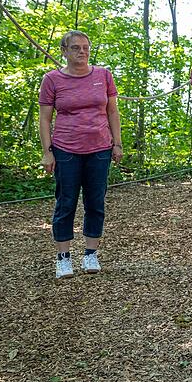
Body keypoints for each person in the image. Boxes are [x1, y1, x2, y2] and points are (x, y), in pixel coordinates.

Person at [39, 30, 123, 279]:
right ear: (64, 51)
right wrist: (47, 152)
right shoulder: (52, 79)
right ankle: (63, 257)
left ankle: (90, 253)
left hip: (99, 148)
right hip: (66, 149)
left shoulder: (103, 75)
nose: (82, 52)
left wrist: (117, 143)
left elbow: (112, 112)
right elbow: (45, 119)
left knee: (96, 202)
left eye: (85, 47)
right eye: (75, 48)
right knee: (66, 202)